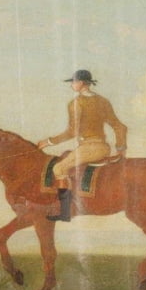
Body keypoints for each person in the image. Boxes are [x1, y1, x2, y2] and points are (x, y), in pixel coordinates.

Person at [39, 70, 127, 216]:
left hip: (88, 148)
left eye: (73, 82)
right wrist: (120, 150)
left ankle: (65, 211)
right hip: (104, 148)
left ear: (81, 83)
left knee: (58, 168)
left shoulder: (76, 103)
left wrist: (47, 142)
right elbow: (120, 126)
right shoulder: (103, 101)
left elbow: (72, 132)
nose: (72, 85)